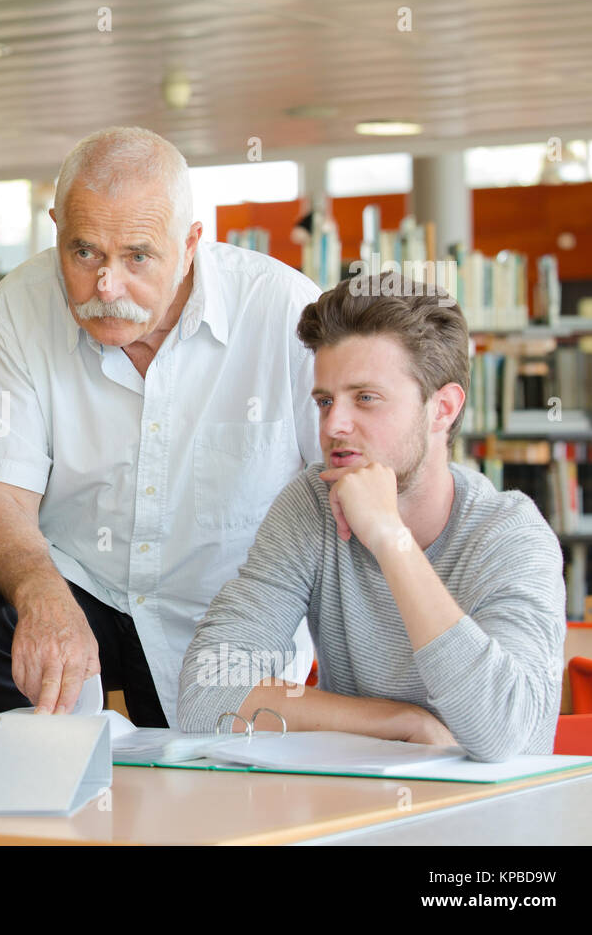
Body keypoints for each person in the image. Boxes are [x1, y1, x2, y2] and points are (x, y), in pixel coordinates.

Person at [0, 126, 319, 726]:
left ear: (190, 245)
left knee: (197, 792)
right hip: (81, 584)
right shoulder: (17, 308)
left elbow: (345, 490)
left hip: (221, 611)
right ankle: (17, 791)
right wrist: (39, 591)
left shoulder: (286, 312)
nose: (107, 286)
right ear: (55, 228)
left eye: (137, 257)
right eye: (84, 253)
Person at [177, 272, 566, 761]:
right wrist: (400, 724)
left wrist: (389, 538)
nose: (334, 425)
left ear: (441, 409)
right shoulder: (311, 507)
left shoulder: (510, 534)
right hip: (357, 813)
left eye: (365, 398)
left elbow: (508, 738)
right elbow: (203, 695)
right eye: (324, 401)